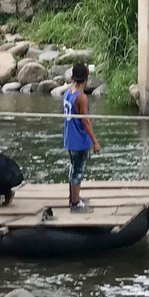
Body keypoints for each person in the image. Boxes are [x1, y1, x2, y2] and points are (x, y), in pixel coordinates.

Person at [62, 62, 101, 213]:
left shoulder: (68, 93)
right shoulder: (81, 98)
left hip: (70, 139)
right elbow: (86, 121)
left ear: (72, 77)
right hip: (79, 141)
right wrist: (95, 142)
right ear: (86, 79)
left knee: (73, 169)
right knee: (78, 171)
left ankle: (73, 197)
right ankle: (75, 203)